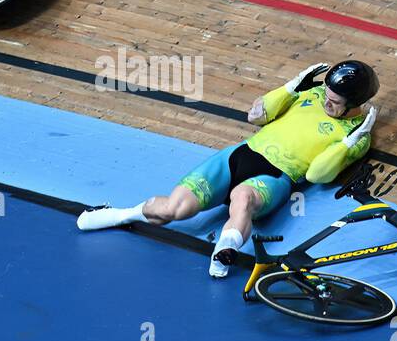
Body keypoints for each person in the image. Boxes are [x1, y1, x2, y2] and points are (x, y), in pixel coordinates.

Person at [77, 60, 380, 277]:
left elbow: (317, 174)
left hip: (276, 175)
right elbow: (257, 116)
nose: (326, 101)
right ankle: (119, 215)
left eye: (335, 102)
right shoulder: (312, 93)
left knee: (243, 199)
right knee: (174, 210)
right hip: (239, 155)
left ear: (355, 104)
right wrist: (290, 86)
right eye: (325, 94)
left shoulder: (354, 135)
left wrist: (348, 144)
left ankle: (225, 249)